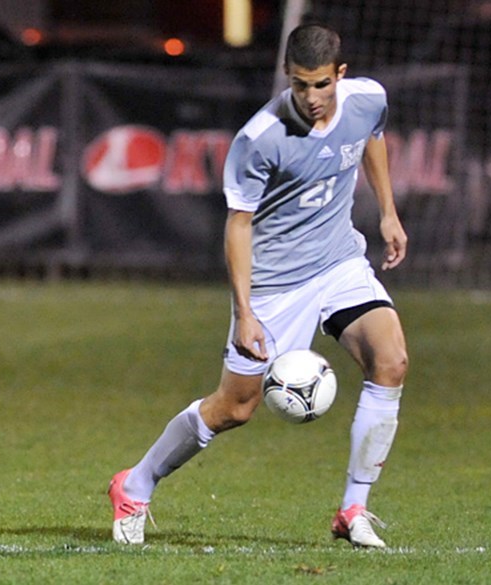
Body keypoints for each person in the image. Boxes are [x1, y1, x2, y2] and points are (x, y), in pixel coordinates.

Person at [107, 23, 409, 549]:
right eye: (299, 85)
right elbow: (239, 225)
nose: (311, 97)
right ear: (287, 76)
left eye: (321, 84)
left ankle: (353, 509)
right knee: (235, 407)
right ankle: (134, 486)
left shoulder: (367, 99)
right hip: (275, 283)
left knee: (391, 361)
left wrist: (387, 211)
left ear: (340, 75)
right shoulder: (260, 138)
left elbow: (372, 137)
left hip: (338, 262)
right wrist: (245, 311)